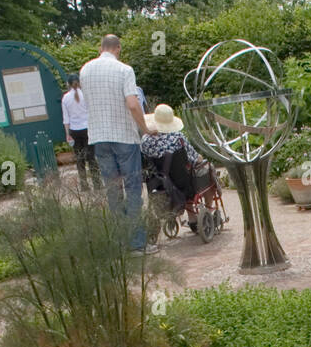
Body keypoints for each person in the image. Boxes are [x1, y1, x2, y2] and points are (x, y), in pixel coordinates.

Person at [79, 35, 149, 250]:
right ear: (118, 48)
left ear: (100, 48)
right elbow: (132, 104)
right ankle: (137, 243)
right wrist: (145, 129)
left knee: (113, 190)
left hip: (99, 136)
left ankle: (120, 242)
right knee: (133, 188)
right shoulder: (124, 70)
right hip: (124, 136)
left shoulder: (85, 71)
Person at [140, 104, 214, 233]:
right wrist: (200, 158)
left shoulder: (145, 141)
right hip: (182, 183)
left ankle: (181, 216)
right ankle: (198, 214)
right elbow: (195, 158)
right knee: (205, 169)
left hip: (158, 183)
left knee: (183, 176)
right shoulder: (178, 138)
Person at [61, 74, 100, 191]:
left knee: (79, 159)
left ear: (68, 84)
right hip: (87, 128)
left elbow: (66, 119)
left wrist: (67, 134)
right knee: (91, 157)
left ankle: (84, 185)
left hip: (74, 130)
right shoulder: (86, 95)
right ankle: (97, 184)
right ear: (79, 82)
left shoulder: (65, 98)